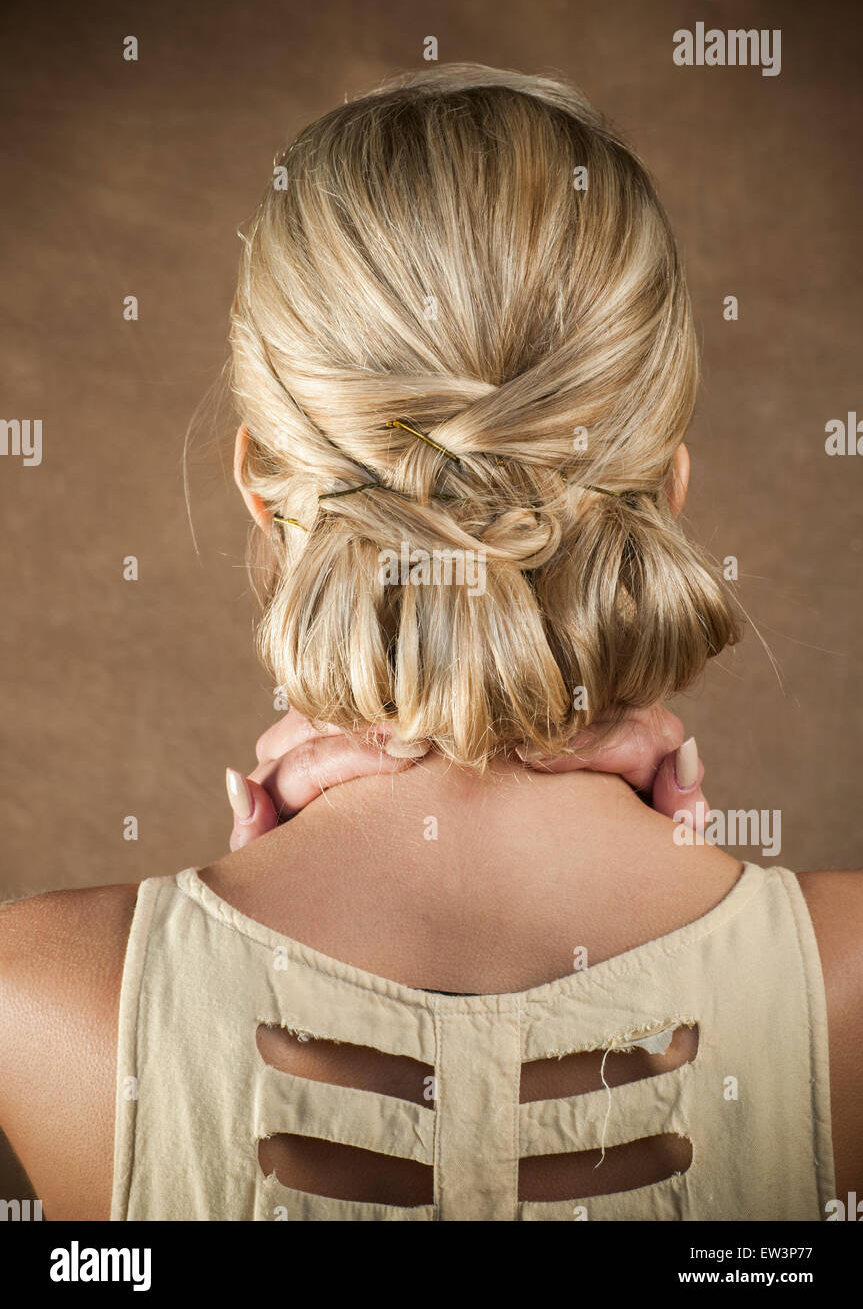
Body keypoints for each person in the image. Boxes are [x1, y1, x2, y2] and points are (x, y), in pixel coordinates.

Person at [0, 65, 859, 1222]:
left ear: (260, 483)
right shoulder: (844, 984)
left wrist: (203, 956)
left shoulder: (37, 997)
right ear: (663, 482)